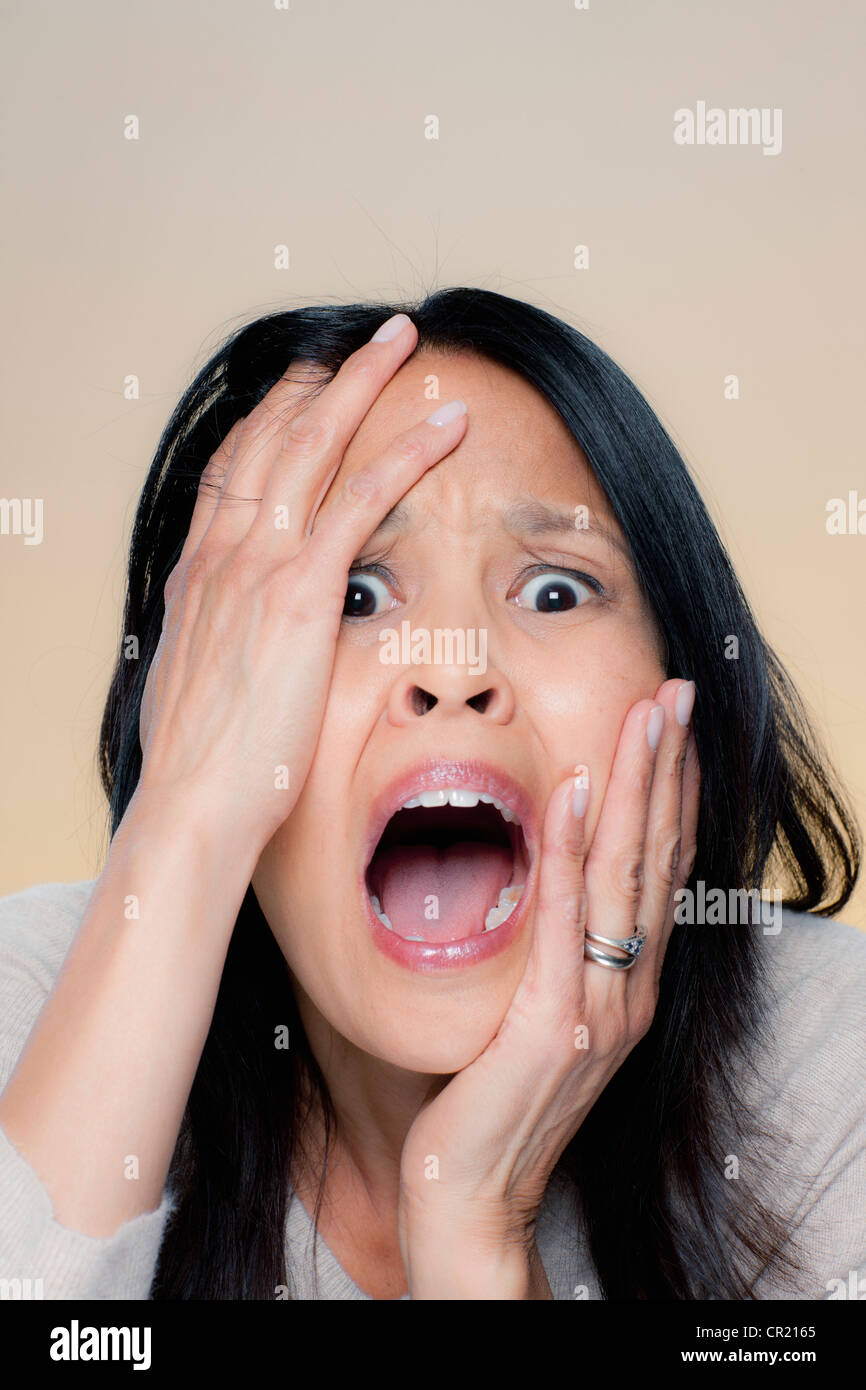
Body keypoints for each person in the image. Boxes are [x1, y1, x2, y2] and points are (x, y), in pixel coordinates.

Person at [0, 288, 863, 1300]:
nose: (452, 667)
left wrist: (474, 1227)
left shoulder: (825, 1071)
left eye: (553, 588)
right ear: (201, 681)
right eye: (353, 594)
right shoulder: (42, 1004)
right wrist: (183, 820)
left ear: (686, 685)